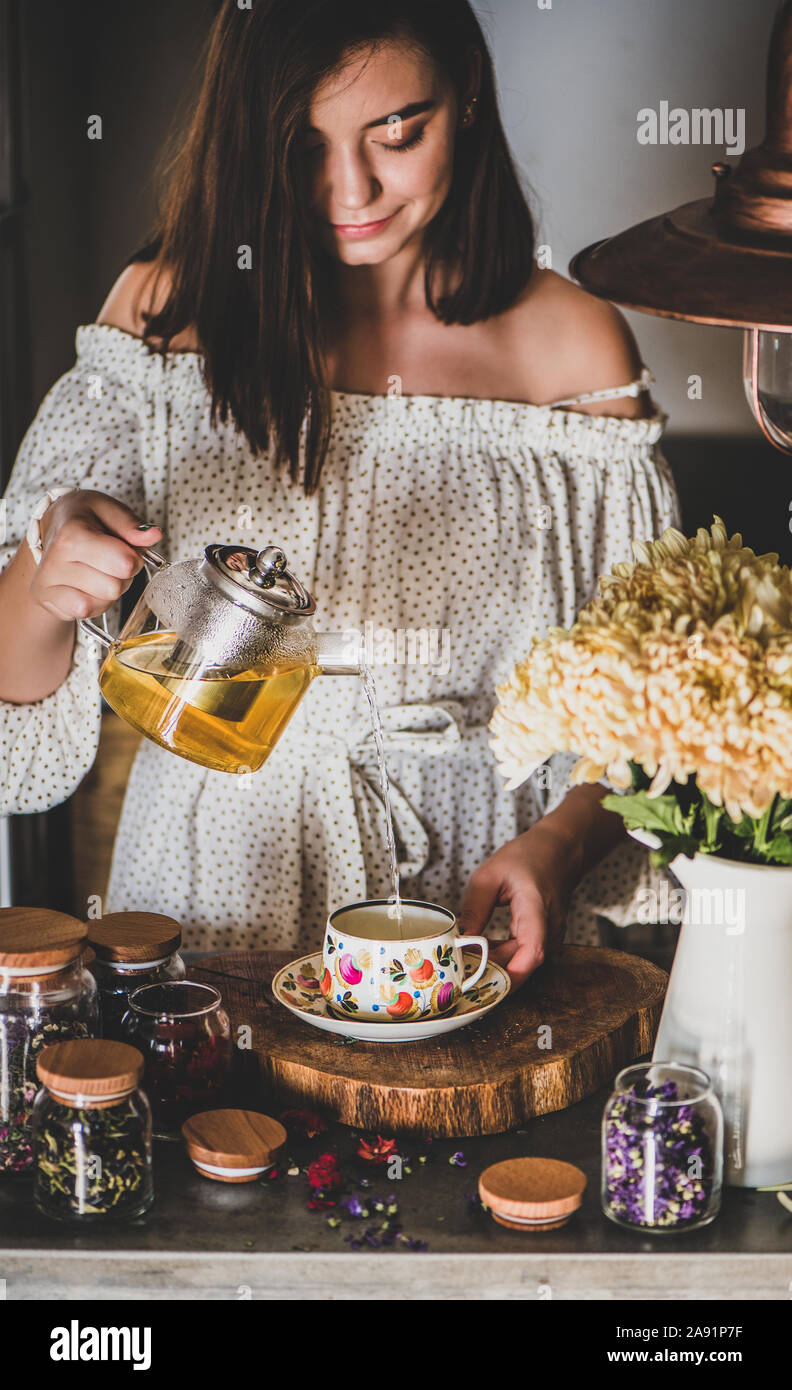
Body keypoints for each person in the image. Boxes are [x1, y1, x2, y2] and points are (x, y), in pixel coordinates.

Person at [0, 0, 680, 985]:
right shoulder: (166, 317)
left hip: (471, 905)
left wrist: (562, 847)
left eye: (397, 131)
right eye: (301, 143)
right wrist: (43, 570)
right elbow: (14, 714)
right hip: (215, 892)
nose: (350, 188)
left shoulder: (571, 352)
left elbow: (649, 706)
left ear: (469, 96)